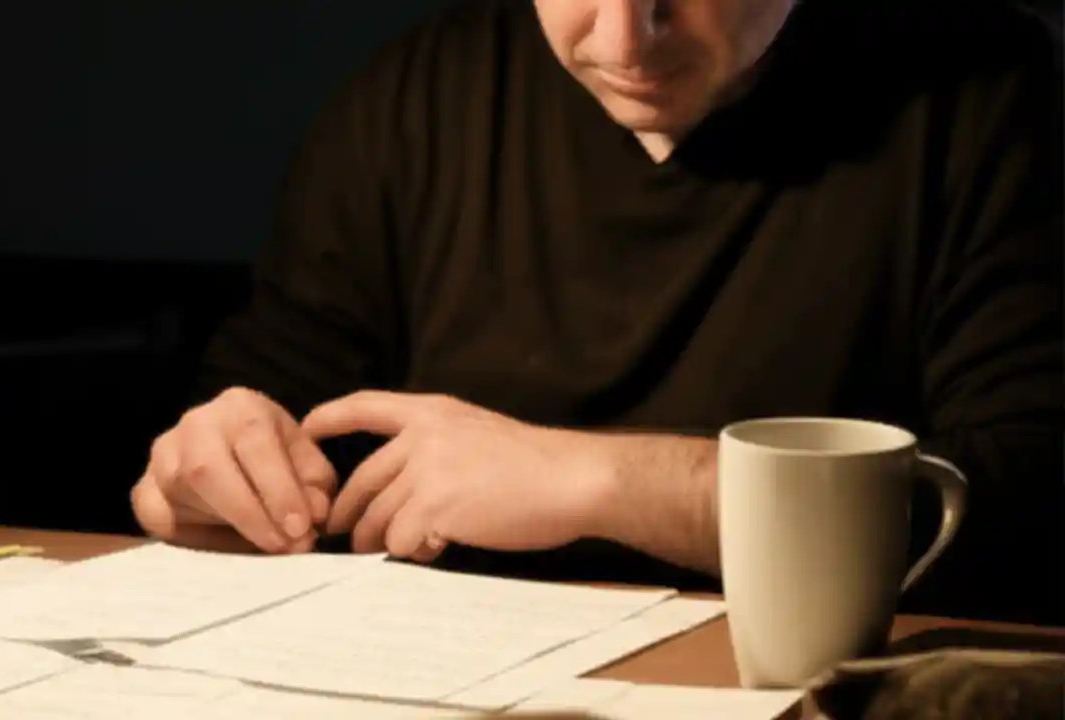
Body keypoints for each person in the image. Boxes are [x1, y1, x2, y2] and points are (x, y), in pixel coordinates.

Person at [131, 0, 1063, 622]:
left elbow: (1026, 504)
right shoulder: (413, 98)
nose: (623, 41)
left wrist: (594, 482)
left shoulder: (985, 93)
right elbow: (258, 418)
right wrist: (216, 471)